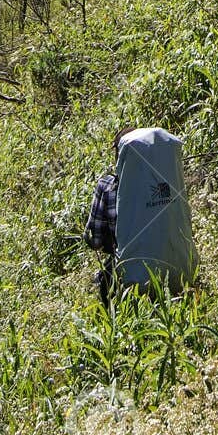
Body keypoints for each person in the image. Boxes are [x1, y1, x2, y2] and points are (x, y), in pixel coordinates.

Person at [85, 125, 198, 304]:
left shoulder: (108, 187)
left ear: (121, 153)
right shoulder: (172, 182)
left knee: (102, 281)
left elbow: (94, 240)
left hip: (133, 279)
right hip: (181, 273)